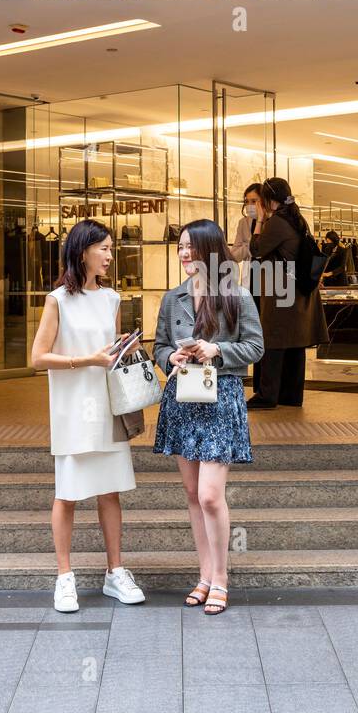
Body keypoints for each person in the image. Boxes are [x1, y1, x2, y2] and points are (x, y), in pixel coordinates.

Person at [30, 218, 145, 613]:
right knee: (68, 493)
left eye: (112, 249)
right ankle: (64, 577)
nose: (111, 256)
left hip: (106, 406)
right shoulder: (57, 299)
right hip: (72, 408)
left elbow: (109, 354)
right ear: (83, 251)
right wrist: (87, 359)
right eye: (105, 249)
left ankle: (116, 571)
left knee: (109, 491)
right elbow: (37, 356)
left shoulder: (112, 299)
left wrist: (122, 351)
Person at [154, 220, 264, 616]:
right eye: (180, 247)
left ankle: (221, 578)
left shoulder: (236, 296)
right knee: (190, 495)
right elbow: (160, 345)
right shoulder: (173, 298)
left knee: (210, 495)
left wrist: (216, 351)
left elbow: (256, 347)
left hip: (220, 400)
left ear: (210, 251)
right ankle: (203, 576)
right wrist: (172, 356)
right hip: (183, 398)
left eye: (190, 247)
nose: (184, 253)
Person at [247, 177, 328, 410]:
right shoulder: (297, 219)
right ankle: (291, 395)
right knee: (294, 343)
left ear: (268, 200)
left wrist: (261, 221)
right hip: (297, 291)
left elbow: (257, 249)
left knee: (273, 340)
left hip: (281, 290)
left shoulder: (277, 222)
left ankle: (268, 395)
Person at [228, 183, 263, 290]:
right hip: (250, 273)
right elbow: (234, 256)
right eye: (247, 202)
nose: (249, 205)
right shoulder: (244, 223)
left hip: (267, 273)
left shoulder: (271, 222)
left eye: (254, 201)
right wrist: (249, 245)